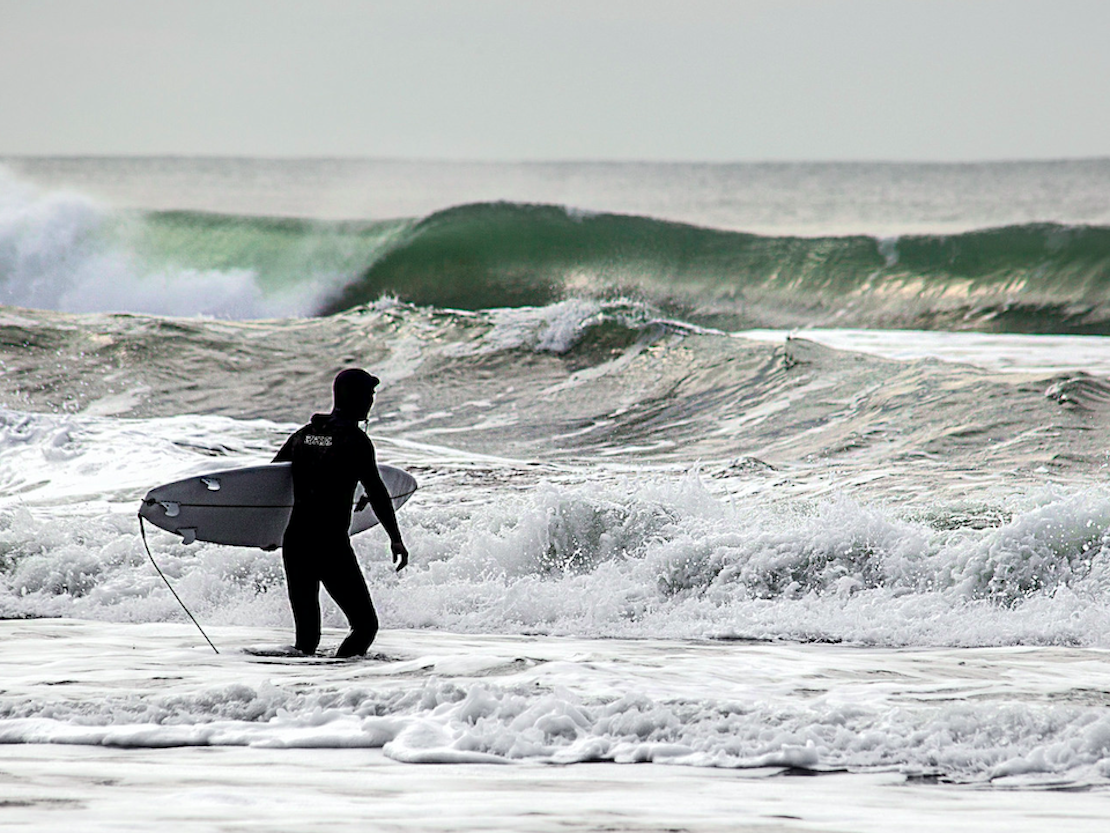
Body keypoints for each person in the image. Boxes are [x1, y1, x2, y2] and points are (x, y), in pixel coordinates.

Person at [273, 368, 408, 657]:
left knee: (306, 639)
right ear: (355, 396)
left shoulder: (304, 436)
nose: (371, 401)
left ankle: (299, 692)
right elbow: (377, 491)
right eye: (369, 395)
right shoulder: (354, 441)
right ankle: (339, 679)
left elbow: (270, 482)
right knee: (365, 627)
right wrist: (395, 538)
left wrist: (266, 533)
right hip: (329, 544)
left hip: (295, 542)